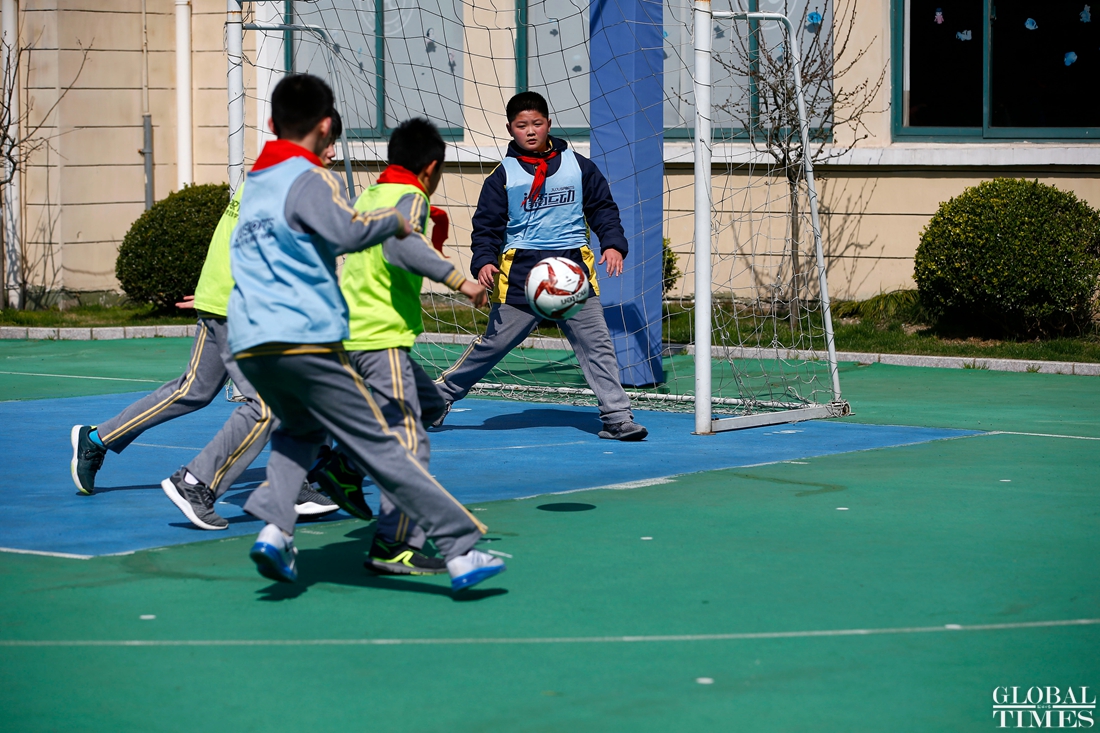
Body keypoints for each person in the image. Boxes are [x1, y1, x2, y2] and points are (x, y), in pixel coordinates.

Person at [228, 73, 503, 592]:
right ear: (327, 125)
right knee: (391, 446)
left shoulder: (256, 183)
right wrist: (396, 227)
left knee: (299, 430)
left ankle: (274, 529)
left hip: (250, 341)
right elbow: (348, 233)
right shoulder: (312, 180)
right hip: (310, 338)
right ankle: (460, 550)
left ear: (270, 123)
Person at [66, 119, 352, 528]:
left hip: (224, 296)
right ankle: (197, 483)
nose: (333, 152)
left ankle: (96, 439)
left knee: (193, 390)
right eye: (328, 141)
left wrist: (212, 290)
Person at [308, 117, 487, 577]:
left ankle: (343, 467)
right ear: (431, 169)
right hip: (378, 337)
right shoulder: (410, 198)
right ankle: (394, 543)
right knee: (412, 447)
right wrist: (459, 280)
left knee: (429, 404)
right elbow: (398, 247)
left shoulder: (371, 193)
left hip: (354, 334)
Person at [432, 91, 647, 441]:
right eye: (521, 126)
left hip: (571, 271)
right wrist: (484, 260)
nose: (530, 131)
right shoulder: (502, 177)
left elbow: (603, 210)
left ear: (548, 124)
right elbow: (486, 226)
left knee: (598, 345)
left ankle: (617, 416)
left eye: (536, 123)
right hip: (521, 274)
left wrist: (612, 245)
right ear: (510, 129)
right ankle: (437, 398)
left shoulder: (580, 167)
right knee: (494, 346)